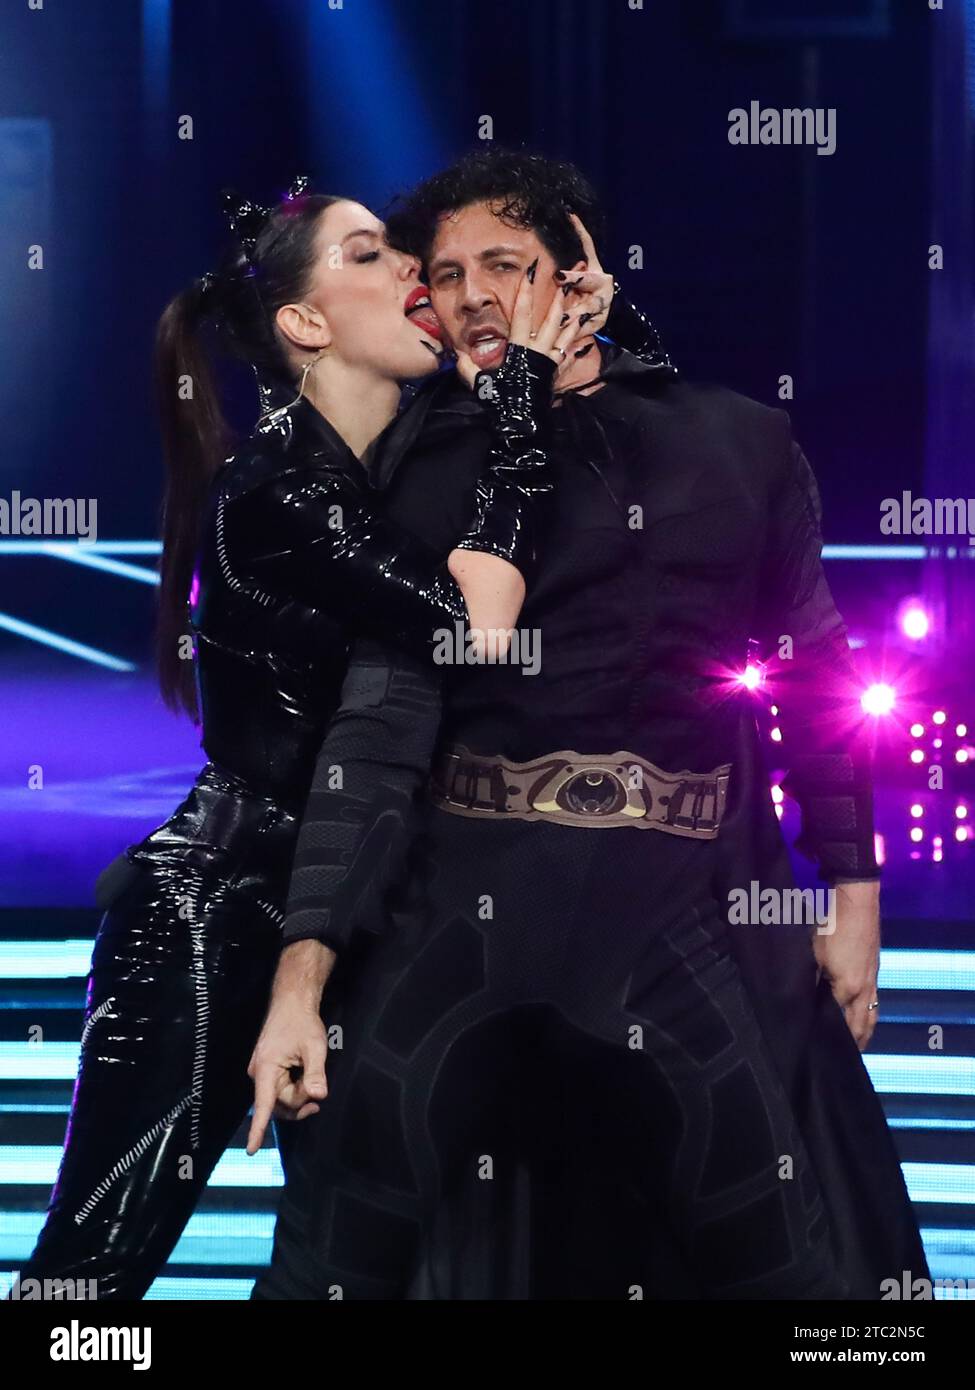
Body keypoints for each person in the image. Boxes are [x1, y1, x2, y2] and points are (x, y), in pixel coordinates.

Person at [248, 149, 931, 1300]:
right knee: (330, 1265)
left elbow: (817, 675)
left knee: (795, 1276)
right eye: (446, 273)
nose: (469, 296)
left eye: (504, 266)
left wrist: (854, 898)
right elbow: (377, 731)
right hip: (461, 898)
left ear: (580, 273)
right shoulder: (425, 462)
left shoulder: (739, 442)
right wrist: (299, 983)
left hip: (673, 911)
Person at [11, 175, 578, 1300]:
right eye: (372, 256)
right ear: (305, 324)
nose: (420, 274)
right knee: (89, 1285)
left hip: (351, 918)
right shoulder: (274, 496)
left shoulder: (392, 469)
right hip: (211, 926)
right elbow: (475, 628)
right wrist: (520, 421)